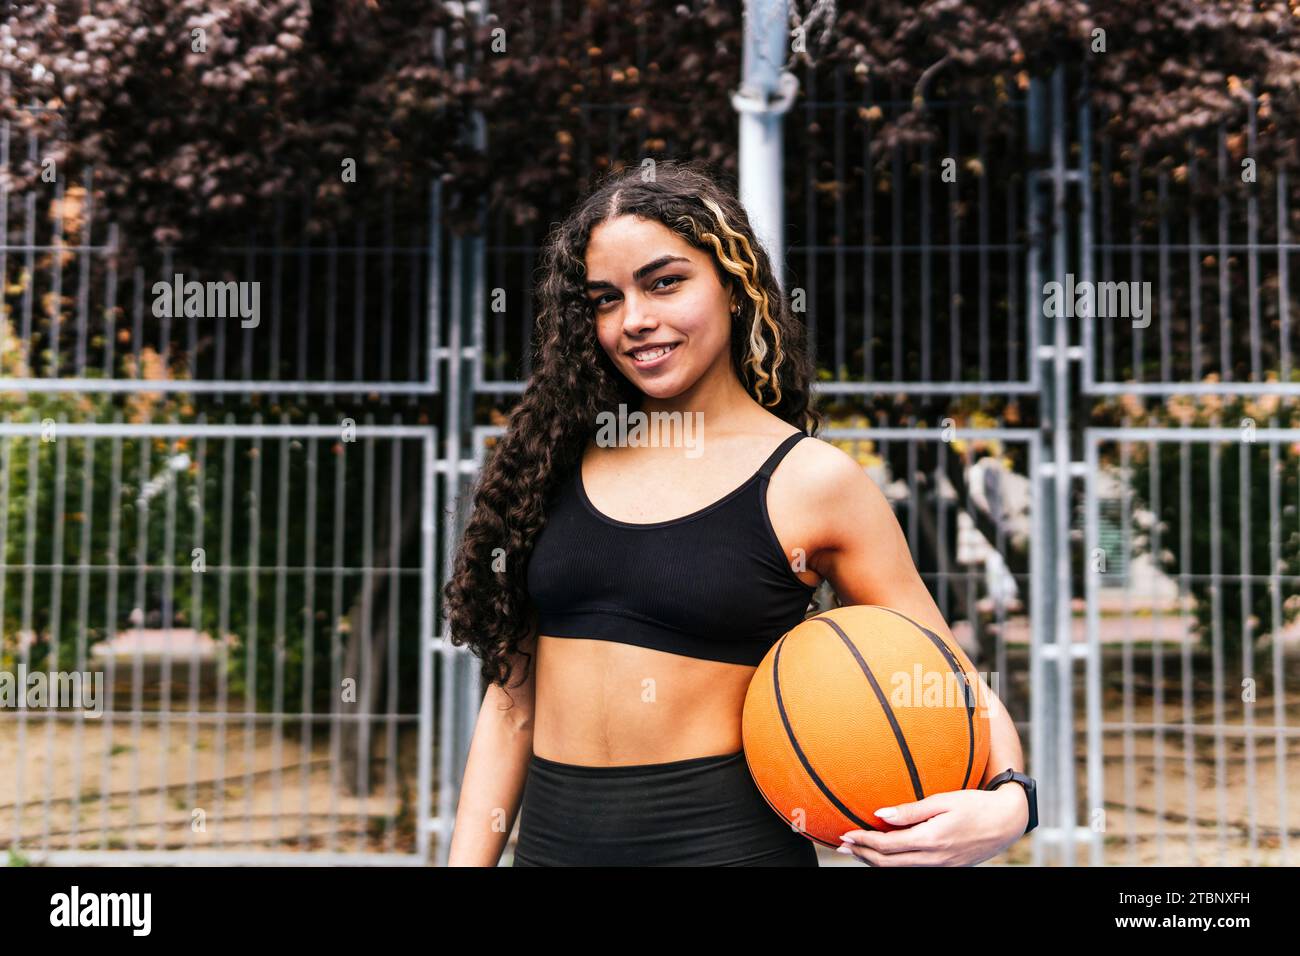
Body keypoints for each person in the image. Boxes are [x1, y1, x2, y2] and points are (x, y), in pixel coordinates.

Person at [444, 159, 1029, 866]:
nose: (635, 320)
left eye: (665, 282)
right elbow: (510, 707)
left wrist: (1012, 802)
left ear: (732, 282)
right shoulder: (551, 464)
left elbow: (944, 678)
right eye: (605, 298)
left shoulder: (810, 481)